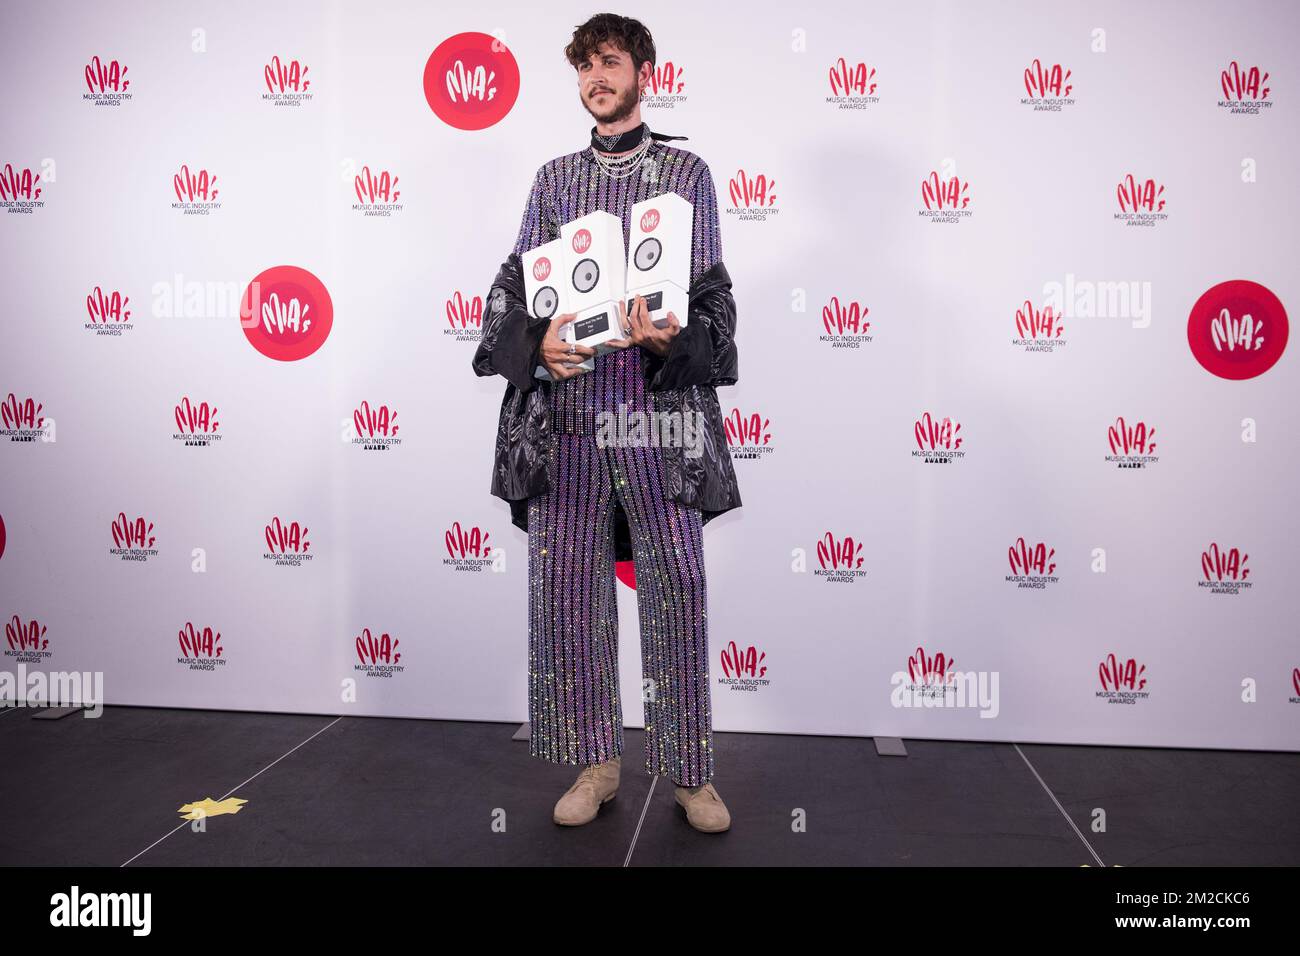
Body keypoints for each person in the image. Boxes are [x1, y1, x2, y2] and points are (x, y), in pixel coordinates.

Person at [472, 13, 742, 833]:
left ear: (644, 71)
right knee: (570, 597)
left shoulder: (686, 173)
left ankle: (690, 771)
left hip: (658, 421)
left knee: (677, 590)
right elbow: (506, 297)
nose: (597, 76)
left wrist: (680, 340)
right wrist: (536, 343)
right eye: (586, 65)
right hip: (573, 422)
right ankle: (597, 765)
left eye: (611, 62)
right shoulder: (554, 181)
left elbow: (717, 305)